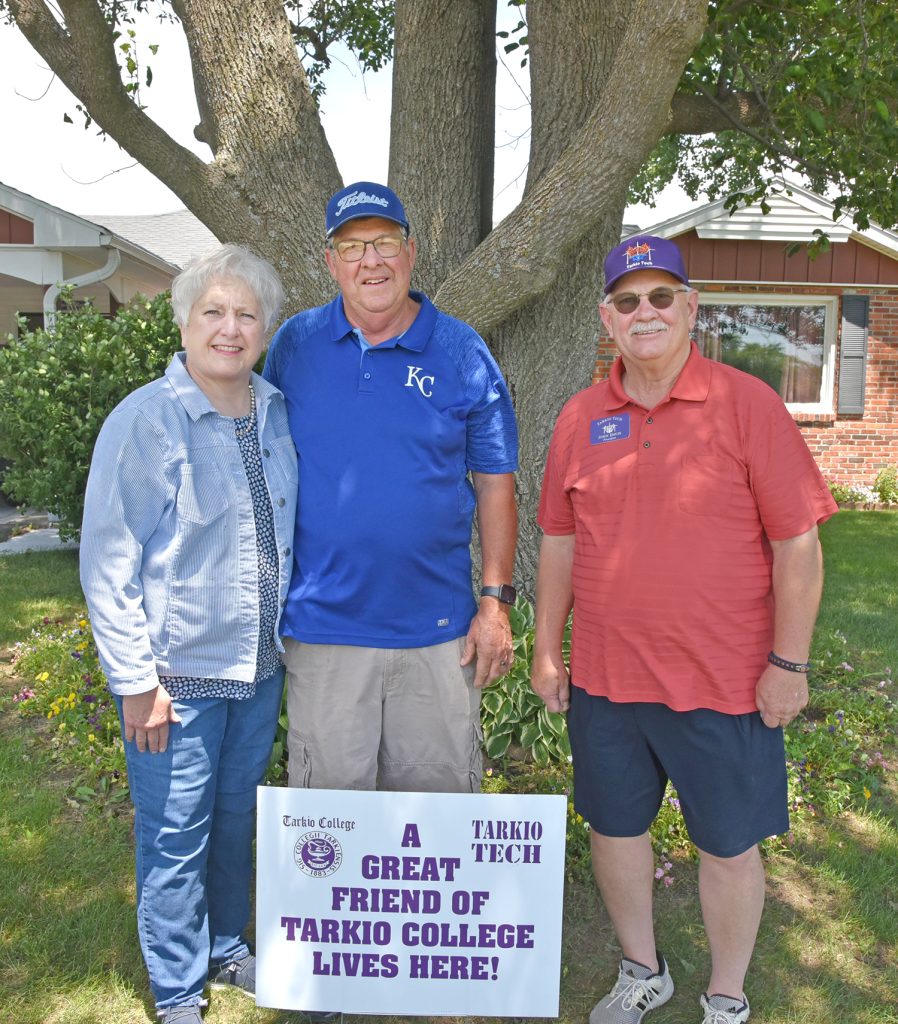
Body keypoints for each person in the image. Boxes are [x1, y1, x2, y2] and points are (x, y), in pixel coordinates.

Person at [531, 235, 838, 1024]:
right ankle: (643, 970)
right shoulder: (579, 417)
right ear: (607, 317)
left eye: (662, 296)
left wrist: (789, 663)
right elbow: (560, 541)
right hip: (607, 678)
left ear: (691, 308)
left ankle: (727, 996)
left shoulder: (748, 404)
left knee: (729, 845)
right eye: (628, 300)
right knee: (614, 829)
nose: (646, 312)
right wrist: (546, 649)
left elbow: (797, 544)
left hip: (723, 680)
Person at [80, 245, 297, 1024]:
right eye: (214, 312)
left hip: (258, 669)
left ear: (264, 330)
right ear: (184, 322)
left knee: (234, 820)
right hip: (175, 681)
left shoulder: (274, 411)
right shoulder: (146, 421)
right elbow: (107, 562)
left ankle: (225, 946)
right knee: (176, 836)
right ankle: (177, 988)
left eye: (246, 315)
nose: (230, 329)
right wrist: (137, 683)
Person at [263, 180, 518, 794]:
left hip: (438, 634)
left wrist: (494, 605)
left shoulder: (461, 351)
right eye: (352, 248)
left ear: (410, 252)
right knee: (329, 824)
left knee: (435, 824)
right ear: (331, 262)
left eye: (384, 242)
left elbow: (496, 483)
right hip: (323, 630)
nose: (370, 261)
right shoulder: (295, 345)